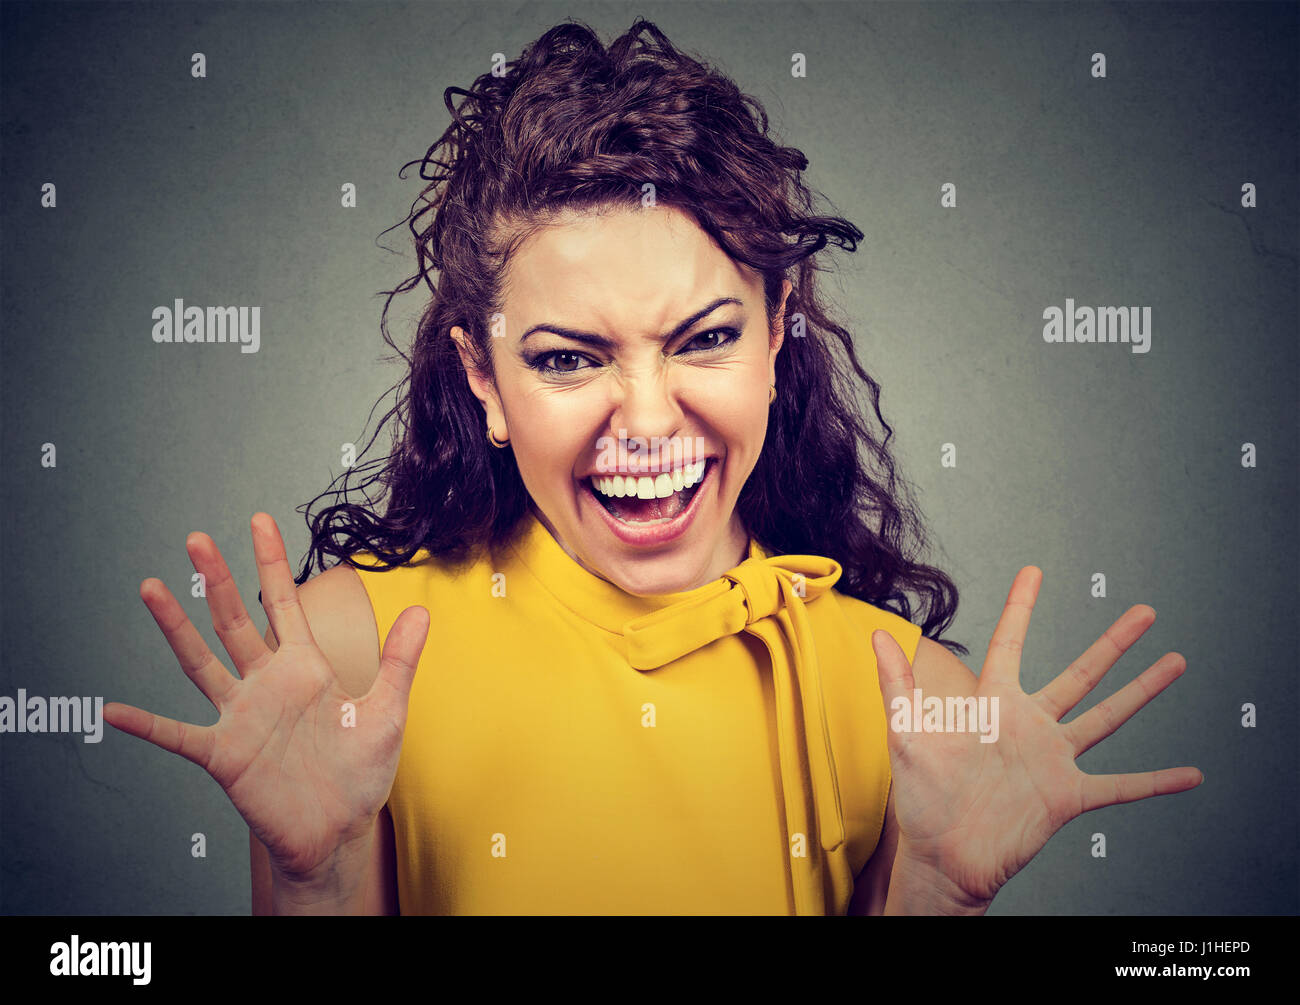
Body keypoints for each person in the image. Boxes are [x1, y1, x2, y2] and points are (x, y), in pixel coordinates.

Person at [104, 18, 1201, 916]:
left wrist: (931, 897)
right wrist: (312, 882)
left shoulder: (911, 703)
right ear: (482, 380)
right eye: (569, 358)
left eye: (703, 339)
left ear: (778, 333)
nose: (643, 419)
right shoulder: (346, 660)